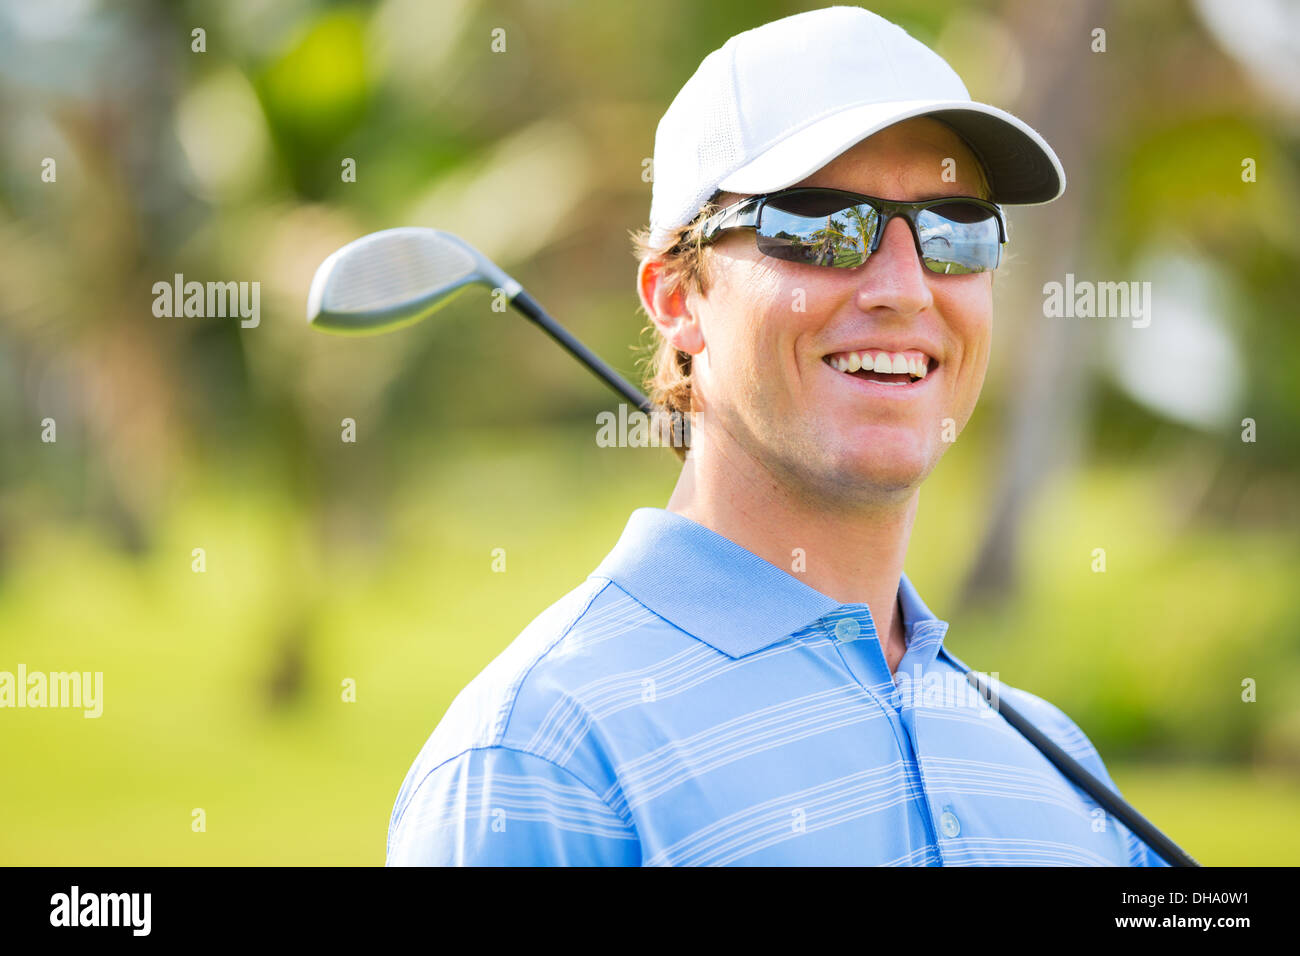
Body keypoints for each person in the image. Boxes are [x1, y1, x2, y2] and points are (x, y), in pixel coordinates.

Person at [386, 5, 1169, 866]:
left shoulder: (1061, 770)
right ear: (678, 299)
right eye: (820, 225)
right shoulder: (540, 762)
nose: (906, 288)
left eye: (954, 229)